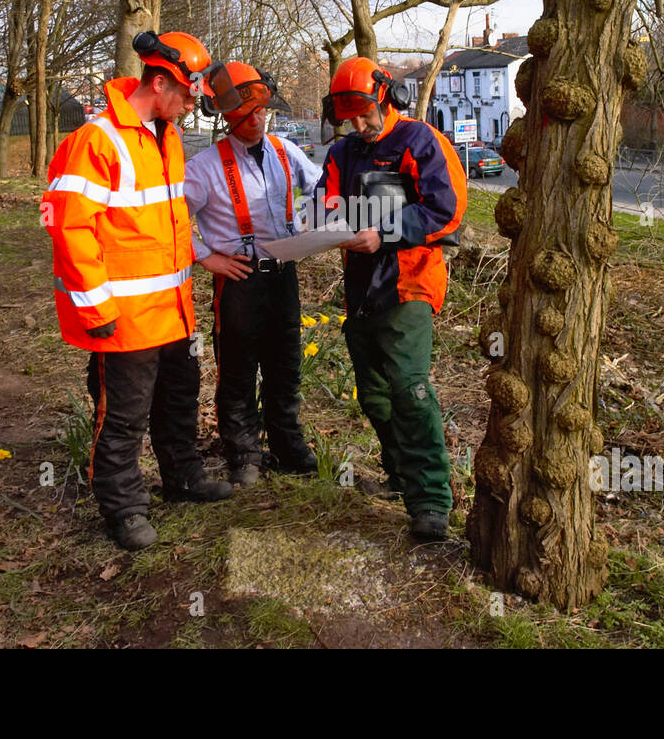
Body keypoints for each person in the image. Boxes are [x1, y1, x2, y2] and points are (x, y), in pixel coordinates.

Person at [41, 31, 233, 553]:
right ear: (161, 79)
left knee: (178, 401)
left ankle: (183, 477)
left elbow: (164, 222)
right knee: (122, 416)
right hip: (123, 317)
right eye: (191, 94)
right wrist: (95, 307)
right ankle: (123, 508)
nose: (194, 106)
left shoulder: (165, 135)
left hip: (172, 312)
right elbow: (70, 229)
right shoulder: (98, 140)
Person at [315, 56, 467, 542]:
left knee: (409, 388)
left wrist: (385, 233)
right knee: (374, 393)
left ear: (385, 96)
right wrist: (323, 225)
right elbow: (325, 202)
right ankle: (401, 472)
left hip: (410, 282)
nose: (358, 125)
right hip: (361, 287)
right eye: (348, 117)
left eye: (364, 113)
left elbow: (446, 211)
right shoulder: (343, 153)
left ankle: (431, 500)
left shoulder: (419, 141)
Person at [184, 63, 321, 486]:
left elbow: (320, 187)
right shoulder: (204, 166)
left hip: (283, 274)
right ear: (227, 116)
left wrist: (321, 219)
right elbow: (169, 220)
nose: (257, 120)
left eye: (260, 111)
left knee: (285, 361)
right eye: (246, 114)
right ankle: (242, 450)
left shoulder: (285, 151)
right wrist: (207, 257)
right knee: (239, 366)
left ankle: (286, 442)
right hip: (239, 279)